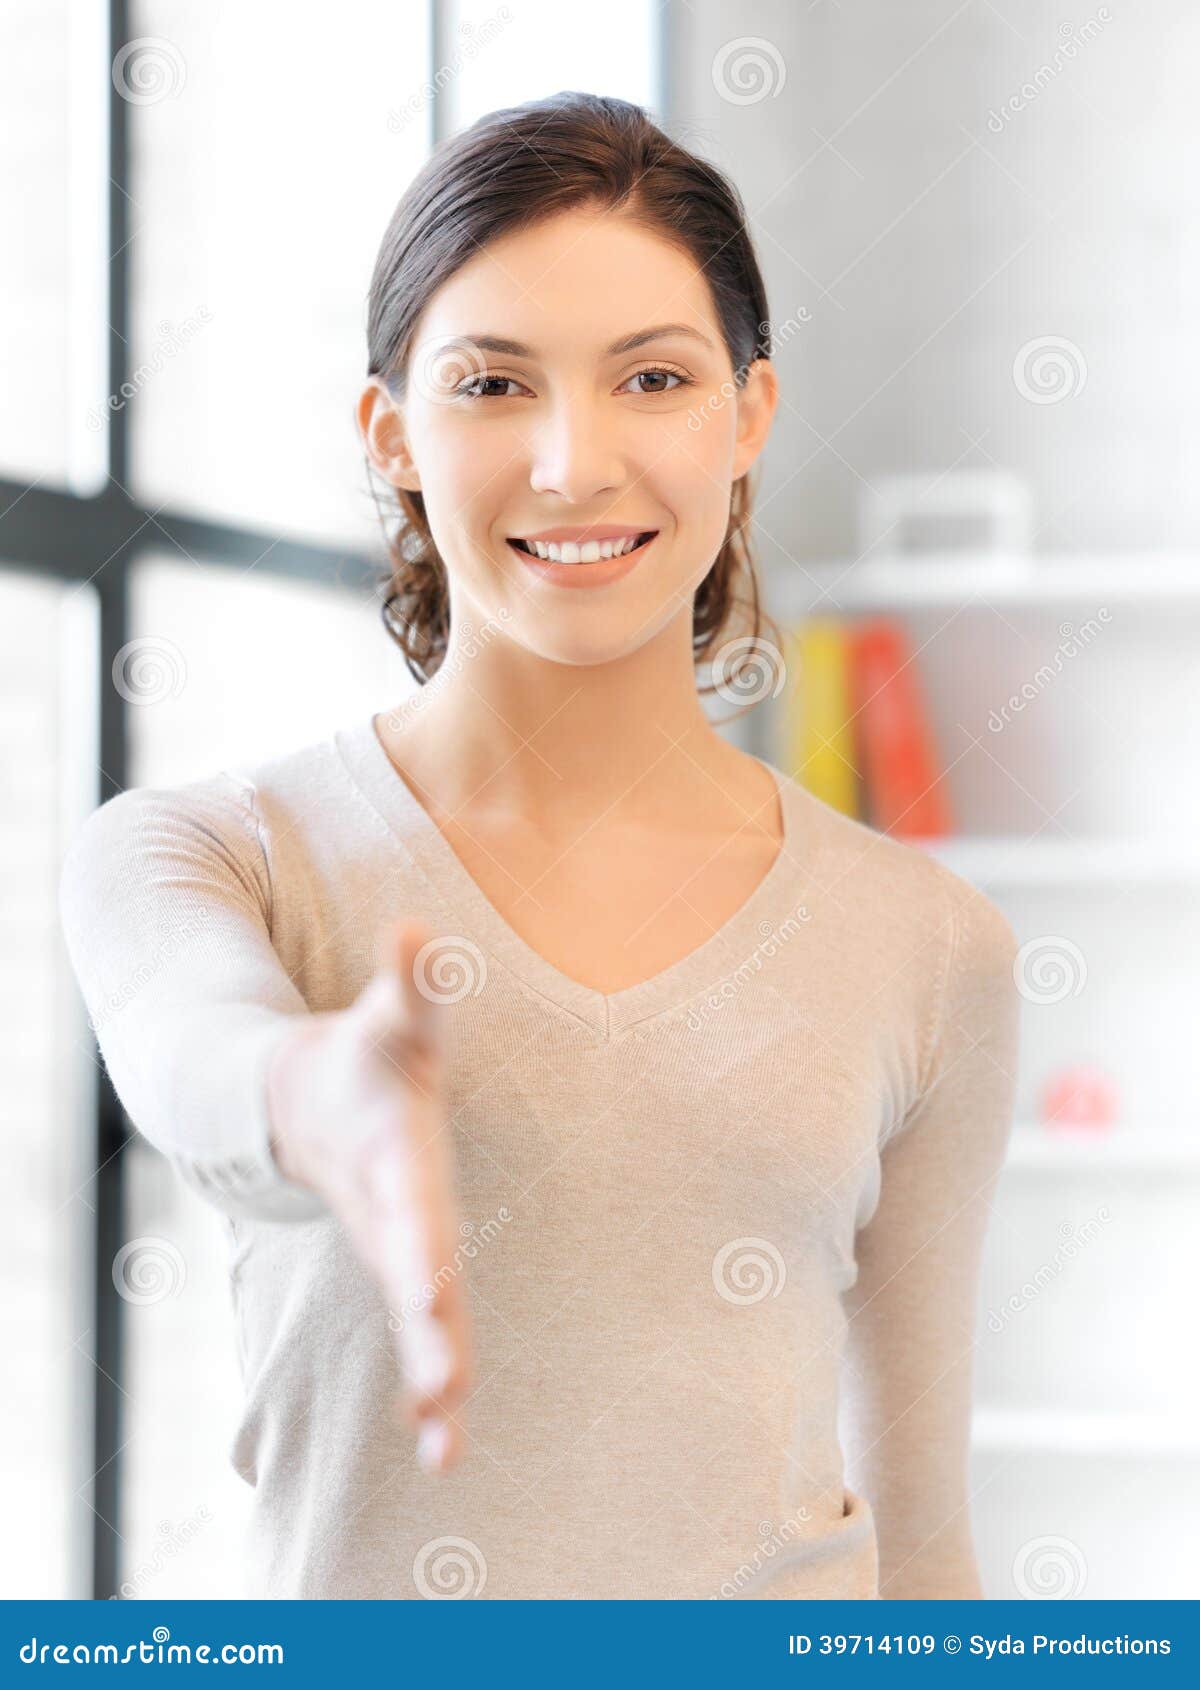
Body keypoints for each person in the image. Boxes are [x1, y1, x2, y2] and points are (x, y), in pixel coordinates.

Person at [58, 91, 1020, 1601]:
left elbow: (929, 1549)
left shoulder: (934, 943)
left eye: (653, 377)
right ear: (391, 433)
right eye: (494, 385)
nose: (575, 463)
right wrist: (317, 1092)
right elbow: (199, 1053)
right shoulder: (204, 854)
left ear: (748, 414)